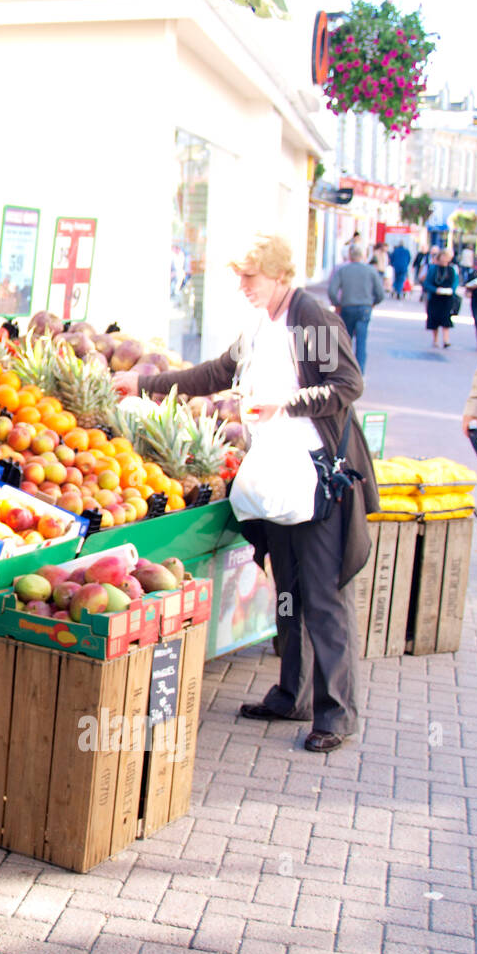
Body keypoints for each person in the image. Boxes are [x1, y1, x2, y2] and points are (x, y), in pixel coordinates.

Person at [113, 234, 378, 753]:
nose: (241, 287)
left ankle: (336, 714)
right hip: (278, 479)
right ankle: (291, 694)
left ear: (278, 275)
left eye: (248, 278)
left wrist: (288, 402)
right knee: (287, 588)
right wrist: (144, 385)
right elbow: (217, 373)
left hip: (317, 476)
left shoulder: (310, 321)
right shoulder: (258, 326)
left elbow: (347, 385)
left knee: (323, 596)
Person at [327, 242, 384, 372]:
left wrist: (337, 304)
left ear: (350, 256)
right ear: (363, 256)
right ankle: (359, 373)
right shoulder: (370, 271)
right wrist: (373, 303)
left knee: (346, 341)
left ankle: (345, 370)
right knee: (361, 342)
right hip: (365, 308)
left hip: (347, 307)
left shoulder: (343, 270)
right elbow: (380, 293)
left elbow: (332, 290)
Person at [423, 247, 460, 348]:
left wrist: (452, 290)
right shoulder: (433, 269)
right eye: (443, 257)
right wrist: (436, 290)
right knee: (434, 318)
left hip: (447, 298)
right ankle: (435, 340)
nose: (445, 259)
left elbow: (455, 282)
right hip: (435, 298)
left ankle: (446, 339)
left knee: (446, 318)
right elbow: (426, 283)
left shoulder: (452, 269)